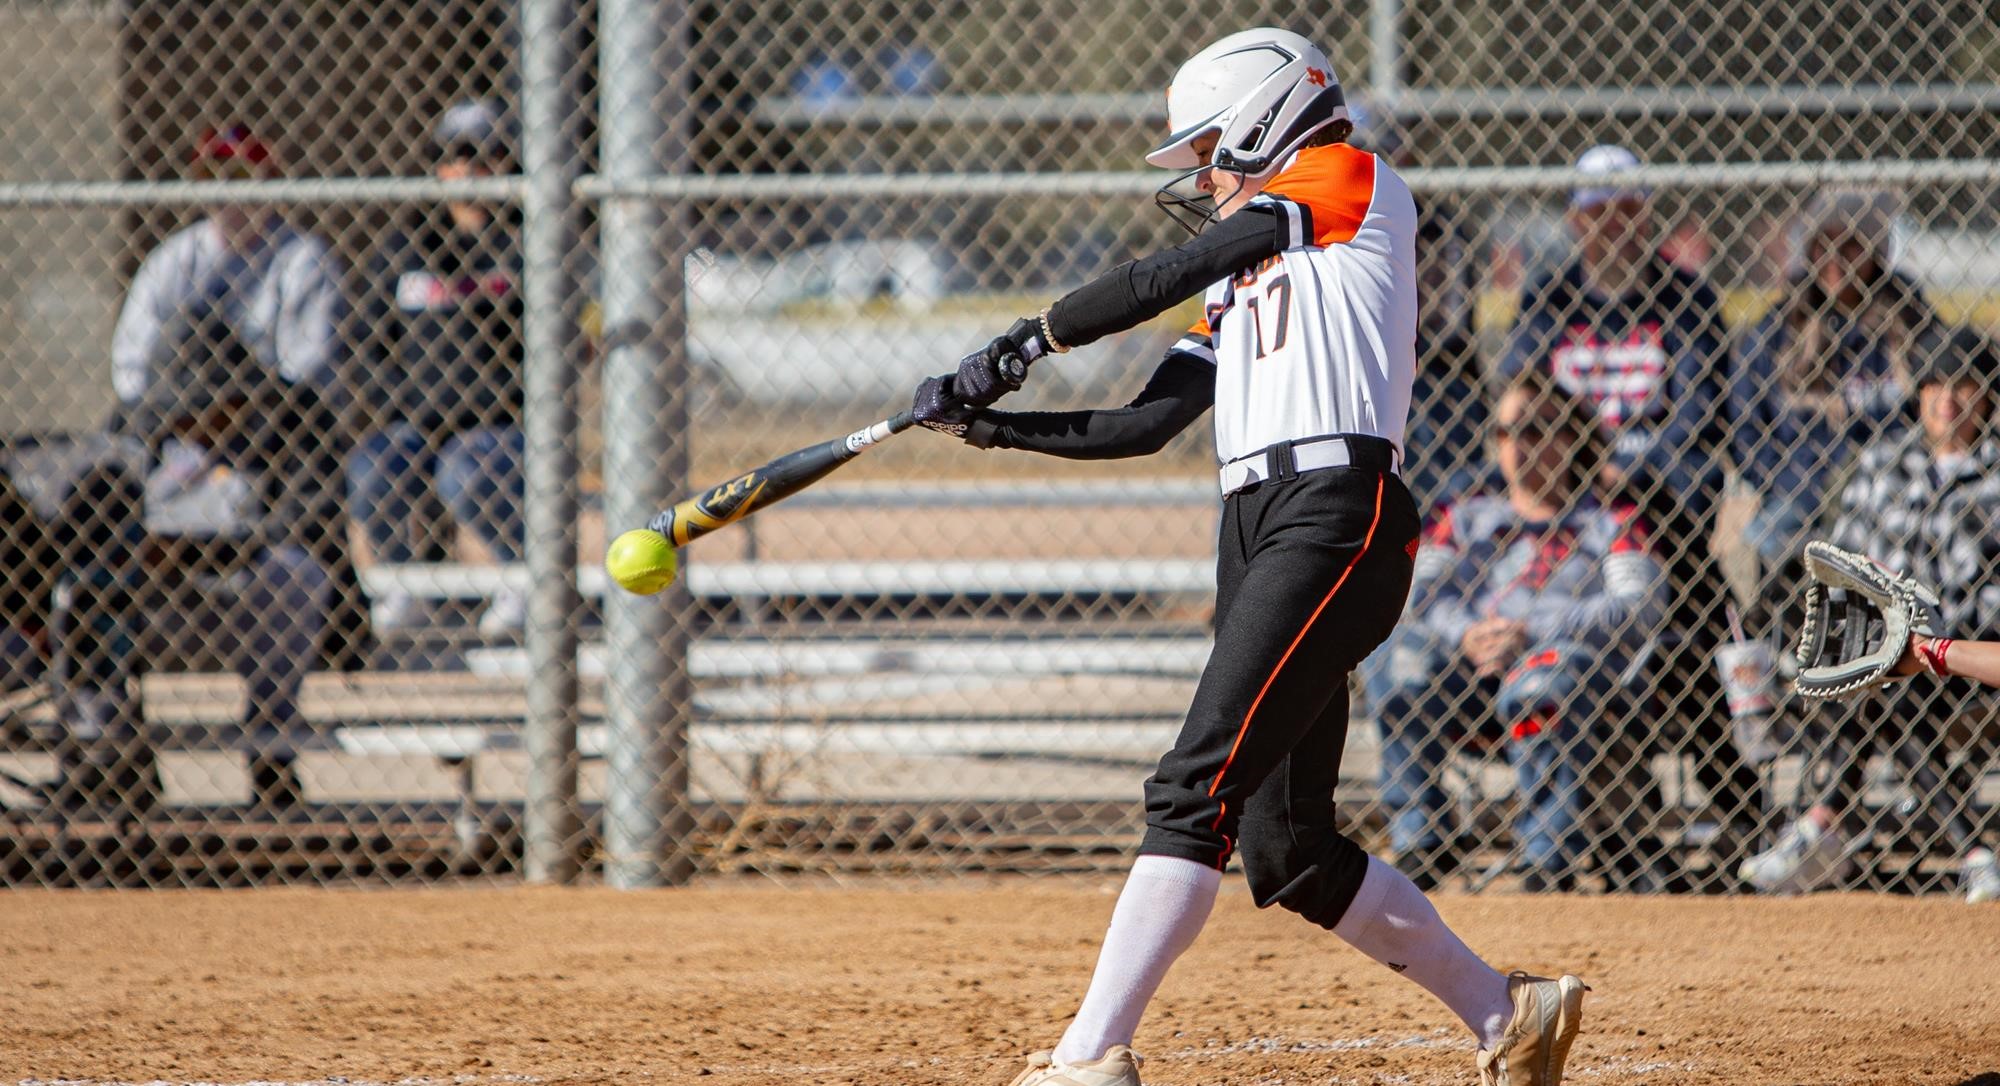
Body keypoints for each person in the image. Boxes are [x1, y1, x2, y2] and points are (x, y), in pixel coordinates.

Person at [911, 28, 1584, 1086]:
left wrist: (1028, 338)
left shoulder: (1348, 181)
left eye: (1215, 148)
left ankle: (1086, 1059)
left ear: (1274, 114)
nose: (1205, 176)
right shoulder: (1246, 270)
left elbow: (1168, 267)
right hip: (1253, 526)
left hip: (1334, 511)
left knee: (1190, 788)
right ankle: (1511, 1016)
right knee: (1286, 849)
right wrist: (986, 427)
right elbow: (1144, 426)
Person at [1499, 145, 1763, 876]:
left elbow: (1701, 418)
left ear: (1645, 217)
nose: (1610, 226)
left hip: (1660, 508)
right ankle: (1622, 824)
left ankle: (1740, 811)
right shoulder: (1550, 297)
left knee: (1690, 640)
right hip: (1570, 510)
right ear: (1575, 221)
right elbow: (1525, 395)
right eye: (1595, 213)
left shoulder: (1685, 299)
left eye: (1624, 212)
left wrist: (1628, 466)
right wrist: (1581, 467)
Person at [104, 123, 363, 811]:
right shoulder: (174, 263)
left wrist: (244, 412)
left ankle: (271, 749)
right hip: (160, 603)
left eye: (246, 177)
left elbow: (309, 376)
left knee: (298, 577)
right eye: (217, 177)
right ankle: (111, 759)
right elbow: (131, 369)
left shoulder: (300, 261)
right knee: (93, 586)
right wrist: (177, 415)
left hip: (241, 581)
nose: (231, 194)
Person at [1365, 370, 1666, 892]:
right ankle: (1421, 838)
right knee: (1395, 655)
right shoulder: (1463, 517)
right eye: (1506, 433)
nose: (1517, 445)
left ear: (1570, 438)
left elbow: (1638, 607)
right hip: (1464, 675)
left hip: (1565, 683)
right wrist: (1467, 635)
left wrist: (1531, 633)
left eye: (1534, 429)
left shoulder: (1611, 519)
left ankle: (1546, 856)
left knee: (1540, 680)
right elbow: (1417, 594)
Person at [1739, 324, 2000, 903]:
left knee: (1889, 679)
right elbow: (1844, 561)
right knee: (1883, 675)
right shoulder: (1882, 462)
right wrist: (1879, 623)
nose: (1946, 400)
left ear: (1986, 396)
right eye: (1934, 385)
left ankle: (1822, 823)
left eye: (1963, 386)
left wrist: (1919, 628)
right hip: (1881, 646)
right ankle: (1976, 852)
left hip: (1963, 654)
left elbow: (1993, 600)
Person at [349, 99, 528, 636]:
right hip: (418, 422)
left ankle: (520, 577)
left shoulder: (527, 242)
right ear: (438, 164)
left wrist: (503, 399)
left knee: (465, 472)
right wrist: (396, 403)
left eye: (489, 154)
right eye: (458, 154)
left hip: (500, 425)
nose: (471, 168)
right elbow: (365, 342)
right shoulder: (406, 243)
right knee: (374, 468)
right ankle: (405, 581)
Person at [1730, 189, 1929, 638]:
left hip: (1888, 491)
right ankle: (1785, 649)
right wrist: (1777, 476)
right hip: (1800, 489)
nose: (1837, 259)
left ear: (1877, 252)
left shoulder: (1908, 320)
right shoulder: (1783, 325)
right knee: (1767, 544)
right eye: (1825, 245)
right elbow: (1746, 423)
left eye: (1853, 245)